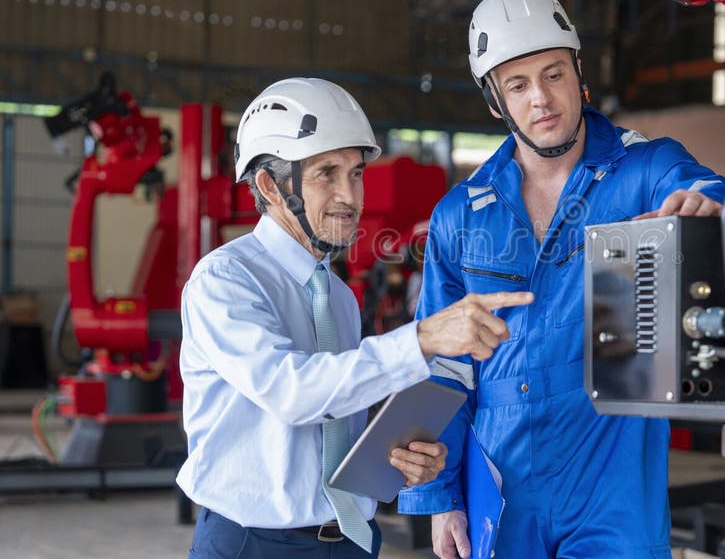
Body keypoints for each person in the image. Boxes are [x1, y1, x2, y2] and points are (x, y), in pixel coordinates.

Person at [397, 0, 725, 559]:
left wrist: (707, 206)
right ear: (496, 102)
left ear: (579, 73)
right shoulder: (460, 213)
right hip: (501, 480)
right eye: (518, 85)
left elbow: (710, 191)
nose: (542, 99)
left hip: (613, 470)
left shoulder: (645, 168)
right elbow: (443, 366)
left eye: (553, 74)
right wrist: (439, 495)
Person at [177, 77, 533, 558]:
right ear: (270, 186)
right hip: (253, 545)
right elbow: (293, 393)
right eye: (327, 173)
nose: (349, 195)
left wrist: (397, 459)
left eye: (356, 172)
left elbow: (331, 420)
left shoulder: (338, 297)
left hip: (350, 540)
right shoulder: (225, 281)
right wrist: (422, 339)